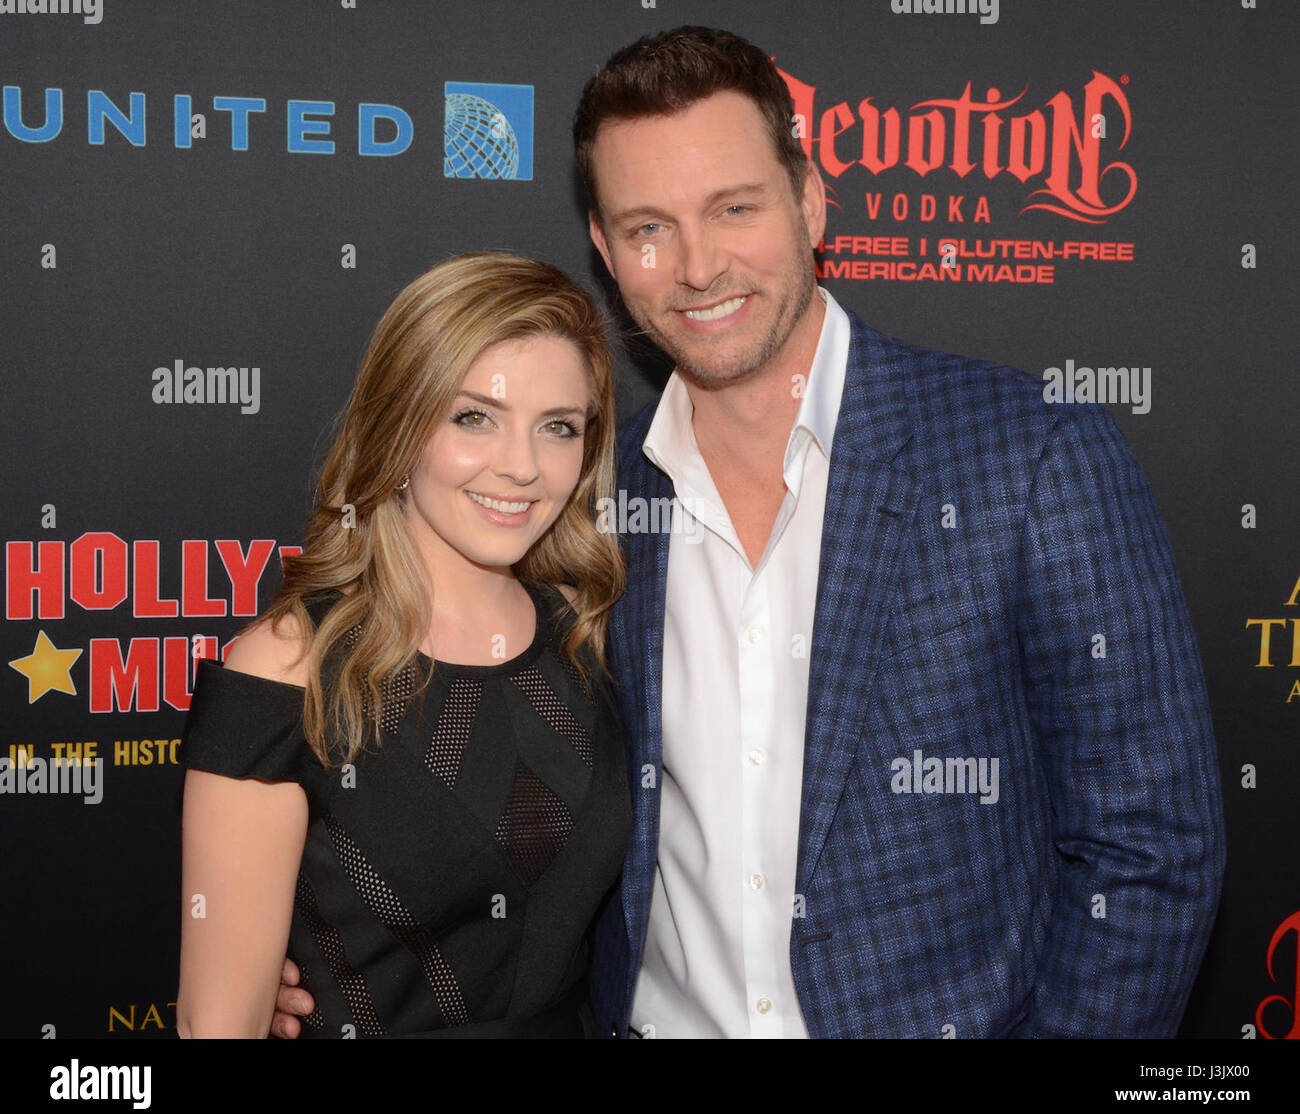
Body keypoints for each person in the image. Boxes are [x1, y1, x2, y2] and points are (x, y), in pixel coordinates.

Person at [274, 26, 1225, 1039]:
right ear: (604, 249)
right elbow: (480, 779)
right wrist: (331, 963)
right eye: (648, 227)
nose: (697, 265)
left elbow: (1150, 848)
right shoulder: (574, 499)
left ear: (810, 202)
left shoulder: (1030, 454)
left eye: (734, 208)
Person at [176, 251, 630, 1038]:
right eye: (474, 417)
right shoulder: (288, 668)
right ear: (401, 424)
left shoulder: (587, 636)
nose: (522, 466)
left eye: (558, 427)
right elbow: (220, 1025)